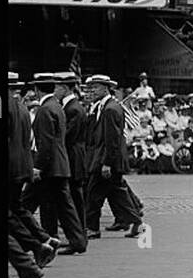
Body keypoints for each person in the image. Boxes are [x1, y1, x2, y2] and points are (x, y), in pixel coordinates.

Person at [27, 72, 88, 254]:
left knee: (25, 206)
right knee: (60, 206)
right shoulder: (56, 106)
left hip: (49, 167)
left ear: (37, 90)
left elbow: (45, 143)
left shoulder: (45, 109)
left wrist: (38, 166)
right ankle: (70, 240)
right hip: (59, 165)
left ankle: (41, 240)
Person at [6, 73, 57, 270]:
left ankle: (37, 246)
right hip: (22, 164)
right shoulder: (20, 106)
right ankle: (44, 240)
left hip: (9, 166)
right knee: (17, 207)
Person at [84, 75, 143, 238]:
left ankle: (92, 228)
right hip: (106, 158)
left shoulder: (110, 108)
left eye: (95, 87)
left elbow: (112, 139)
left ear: (105, 88)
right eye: (91, 88)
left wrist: (107, 163)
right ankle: (136, 221)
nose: (93, 91)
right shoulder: (103, 107)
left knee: (94, 195)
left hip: (108, 160)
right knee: (118, 194)